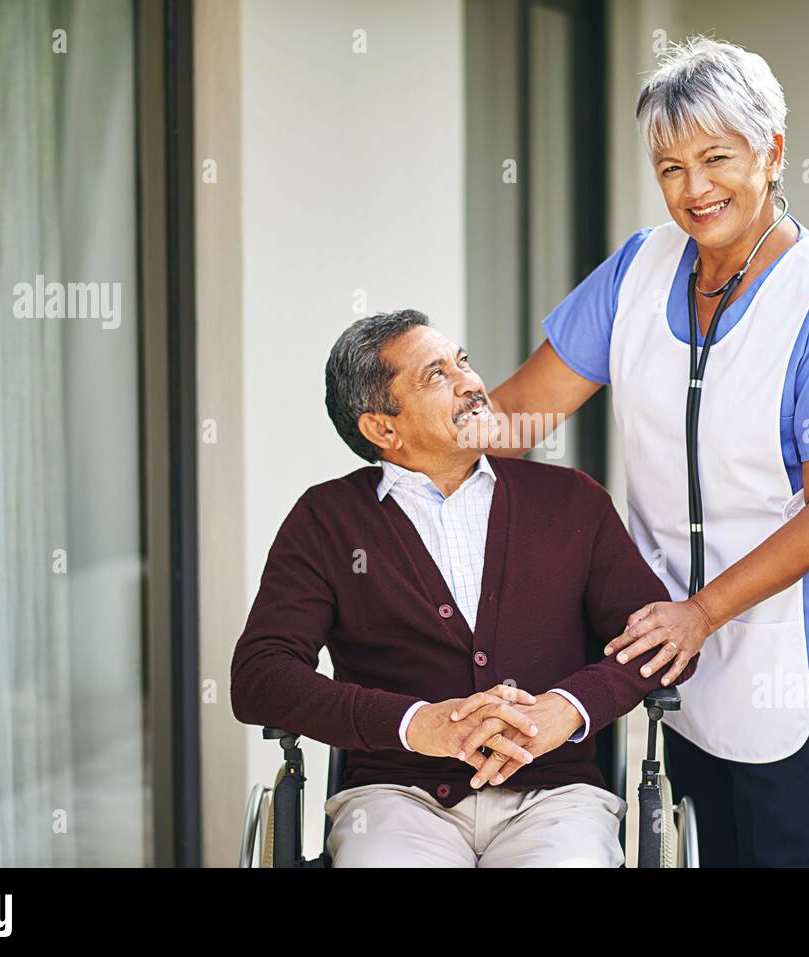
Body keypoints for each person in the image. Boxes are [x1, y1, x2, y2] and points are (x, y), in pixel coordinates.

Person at [489, 37, 809, 866]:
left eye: (717, 157)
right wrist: (409, 418)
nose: (695, 189)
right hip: (663, 640)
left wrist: (704, 612)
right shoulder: (639, 270)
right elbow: (515, 418)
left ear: (773, 151)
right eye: (670, 166)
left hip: (787, 650)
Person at [230, 309, 696, 867]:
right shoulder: (327, 520)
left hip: (554, 800)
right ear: (383, 428)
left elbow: (664, 640)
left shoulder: (572, 501)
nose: (471, 384)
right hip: (397, 801)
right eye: (436, 375)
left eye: (463, 362)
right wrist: (414, 725)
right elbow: (260, 677)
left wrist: (566, 709)